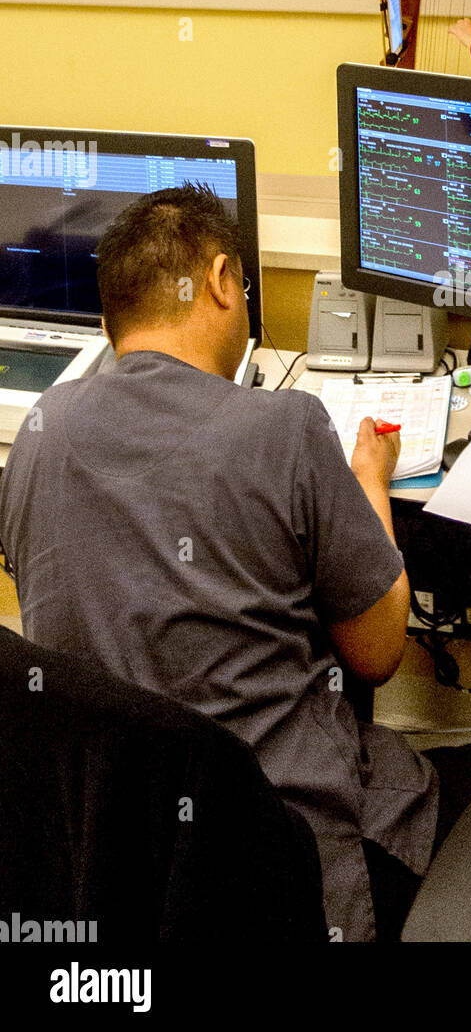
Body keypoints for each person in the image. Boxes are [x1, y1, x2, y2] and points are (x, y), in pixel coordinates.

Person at [0, 183, 436, 943]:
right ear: (222, 280)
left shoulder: (40, 432)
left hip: (109, 860)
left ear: (112, 317)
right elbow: (377, 654)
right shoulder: (288, 426)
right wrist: (370, 478)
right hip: (278, 856)